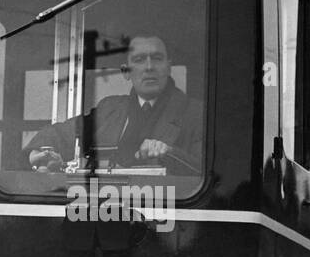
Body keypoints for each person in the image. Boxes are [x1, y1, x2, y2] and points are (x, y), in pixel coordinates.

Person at [24, 35, 202, 173]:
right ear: (126, 72)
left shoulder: (196, 114)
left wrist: (170, 153)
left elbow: (208, 173)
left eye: (156, 58)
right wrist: (42, 151)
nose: (149, 67)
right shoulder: (110, 109)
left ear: (168, 67)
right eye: (139, 60)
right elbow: (62, 133)